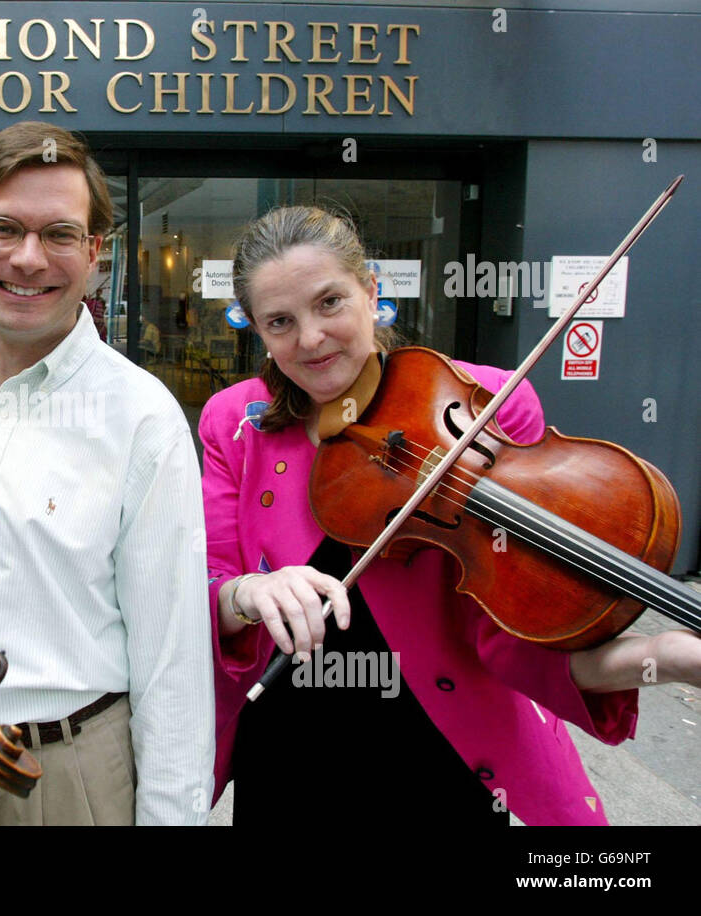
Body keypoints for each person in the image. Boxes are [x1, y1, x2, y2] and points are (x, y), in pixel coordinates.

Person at [201, 205, 701, 826]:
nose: (310, 339)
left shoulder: (483, 403)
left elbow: (514, 643)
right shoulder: (234, 423)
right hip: (289, 745)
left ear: (370, 289)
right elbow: (208, 585)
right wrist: (251, 591)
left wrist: (671, 655)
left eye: (329, 302)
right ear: (258, 331)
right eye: (281, 322)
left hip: (445, 746)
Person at [0, 122, 214, 825]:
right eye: (4, 228)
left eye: (61, 234)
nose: (29, 258)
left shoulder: (143, 418)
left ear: (95, 252)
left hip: (69, 777)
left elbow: (173, 665)